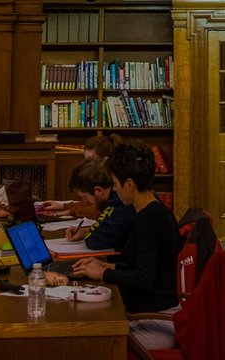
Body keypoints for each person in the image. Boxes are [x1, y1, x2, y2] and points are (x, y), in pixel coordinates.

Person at [67, 141, 179, 349]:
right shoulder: (153, 210)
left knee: (85, 342)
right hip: (149, 311)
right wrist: (107, 266)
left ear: (129, 184)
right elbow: (144, 265)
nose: (115, 190)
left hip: (155, 320)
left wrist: (103, 274)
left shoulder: (148, 220)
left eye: (116, 184)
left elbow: (144, 279)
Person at [64, 159, 136, 251]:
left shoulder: (120, 203)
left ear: (98, 191)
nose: (86, 202)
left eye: (85, 197)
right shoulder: (114, 199)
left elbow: (95, 241)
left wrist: (90, 232)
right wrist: (86, 230)